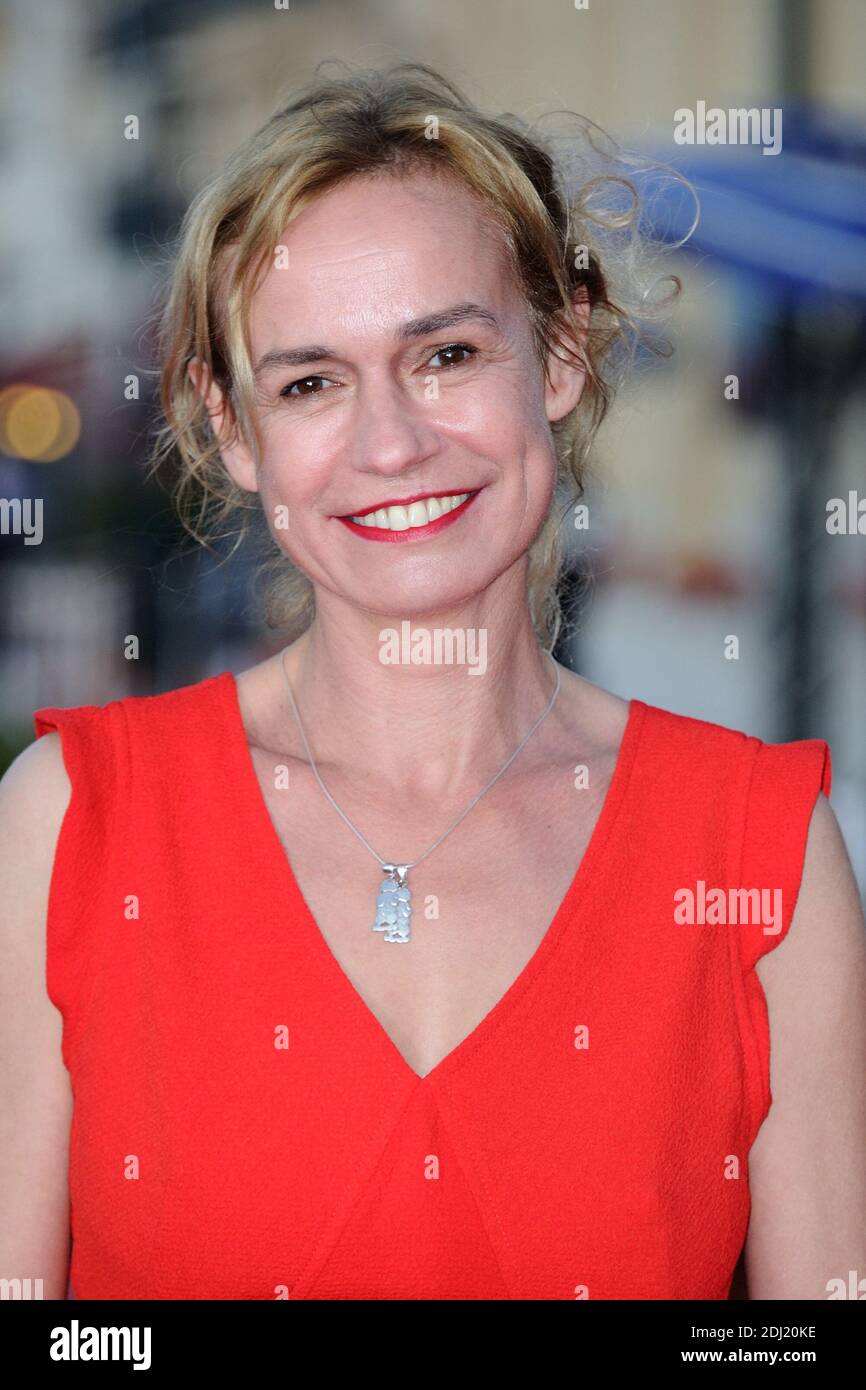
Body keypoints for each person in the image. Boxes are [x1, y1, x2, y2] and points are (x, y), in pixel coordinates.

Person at [1, 62, 864, 1302]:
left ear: (558, 351)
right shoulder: (72, 825)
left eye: (447, 352)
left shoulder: (758, 854)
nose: (391, 442)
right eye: (308, 382)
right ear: (234, 430)